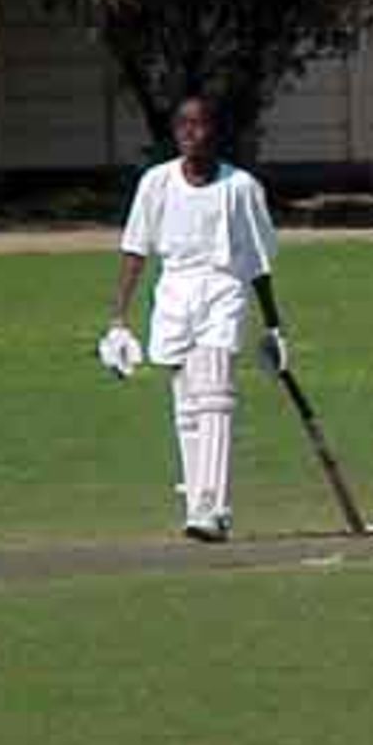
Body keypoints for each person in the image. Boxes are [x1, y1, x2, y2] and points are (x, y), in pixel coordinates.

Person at [99, 95, 287, 542]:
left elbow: (258, 263)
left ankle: (215, 508)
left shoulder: (240, 188)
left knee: (215, 392)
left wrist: (273, 326)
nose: (189, 132)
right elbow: (135, 248)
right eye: (182, 124)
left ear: (215, 132)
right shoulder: (156, 183)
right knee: (186, 404)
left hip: (222, 287)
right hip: (175, 293)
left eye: (199, 124)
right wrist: (118, 320)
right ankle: (196, 502)